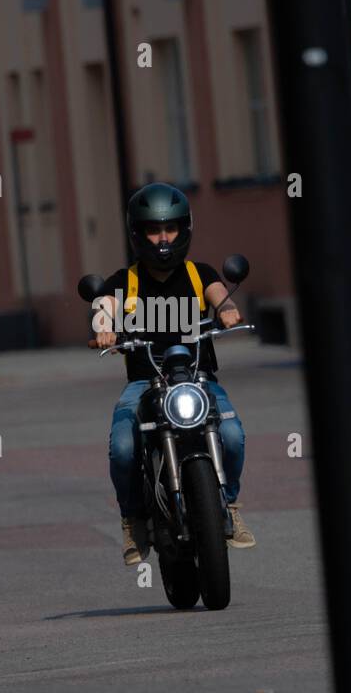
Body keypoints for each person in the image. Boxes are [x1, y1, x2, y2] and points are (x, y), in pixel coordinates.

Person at [87, 182, 255, 565]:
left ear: (184, 229)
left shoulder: (199, 274)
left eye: (170, 229)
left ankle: (227, 507)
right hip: (146, 383)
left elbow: (220, 295)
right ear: (137, 234)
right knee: (124, 447)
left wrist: (228, 310)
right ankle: (133, 519)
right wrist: (103, 325)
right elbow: (104, 306)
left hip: (198, 380)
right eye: (153, 230)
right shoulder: (124, 282)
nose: (163, 239)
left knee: (231, 435)